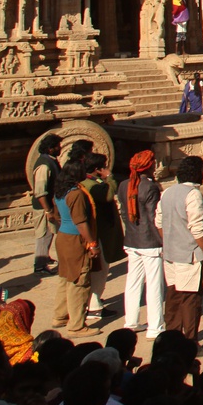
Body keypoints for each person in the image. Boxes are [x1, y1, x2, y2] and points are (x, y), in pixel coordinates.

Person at [159, 155, 203, 343]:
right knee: (191, 301)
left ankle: (171, 339)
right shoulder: (193, 194)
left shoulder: (167, 192)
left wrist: (171, 242)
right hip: (189, 256)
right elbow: (197, 229)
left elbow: (159, 222)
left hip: (171, 255)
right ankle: (190, 342)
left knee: (173, 298)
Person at [50, 154, 102, 337]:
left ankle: (60, 315)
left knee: (65, 277)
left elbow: (56, 216)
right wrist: (92, 243)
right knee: (80, 281)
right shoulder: (77, 194)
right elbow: (81, 222)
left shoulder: (60, 191)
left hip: (62, 237)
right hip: (75, 240)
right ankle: (77, 325)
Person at [119, 149, 165, 339]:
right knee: (154, 284)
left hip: (132, 239)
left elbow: (124, 213)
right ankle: (155, 326)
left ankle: (131, 321)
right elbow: (155, 216)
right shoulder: (150, 187)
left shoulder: (124, 185)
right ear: (150, 166)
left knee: (133, 281)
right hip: (150, 241)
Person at [81, 152, 122, 327]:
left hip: (98, 232)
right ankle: (94, 306)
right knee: (100, 270)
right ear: (98, 169)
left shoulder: (86, 181)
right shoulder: (92, 185)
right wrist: (110, 178)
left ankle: (93, 301)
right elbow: (108, 194)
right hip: (99, 234)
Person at [31, 133, 63, 276]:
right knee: (44, 234)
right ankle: (40, 265)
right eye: (57, 146)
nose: (60, 148)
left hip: (50, 205)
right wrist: (48, 210)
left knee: (49, 233)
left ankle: (45, 258)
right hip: (44, 207)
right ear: (51, 149)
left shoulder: (51, 161)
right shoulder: (44, 165)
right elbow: (40, 192)